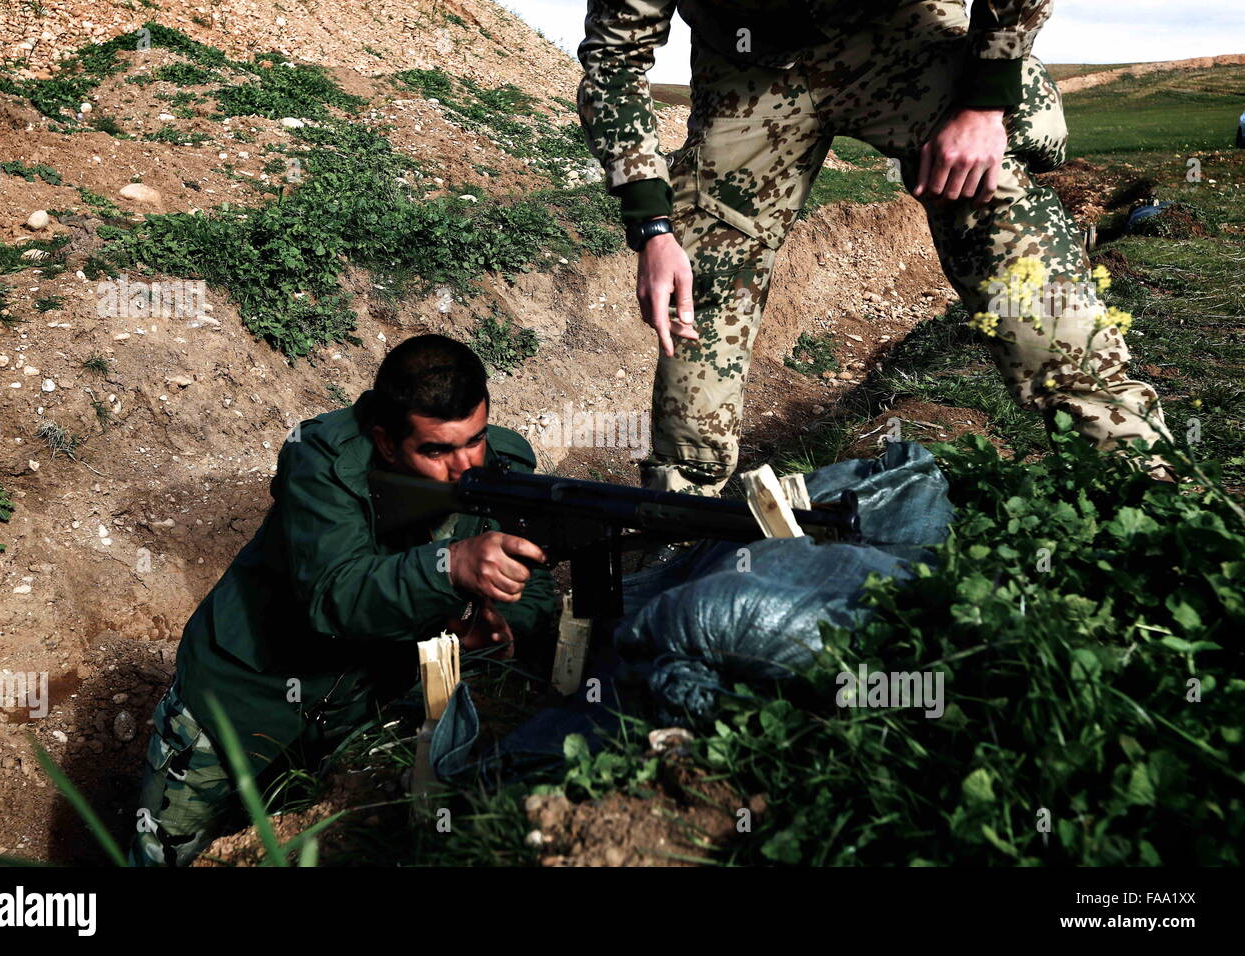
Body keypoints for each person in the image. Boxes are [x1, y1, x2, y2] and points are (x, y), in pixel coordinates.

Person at [576, 0, 1172, 498]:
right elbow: (615, 55)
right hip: (750, 65)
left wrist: (983, 103)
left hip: (897, 33)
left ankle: (1129, 469)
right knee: (704, 262)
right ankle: (684, 503)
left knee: (992, 197)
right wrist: (653, 225)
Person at [127, 334, 558, 866]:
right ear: (384, 441)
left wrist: (503, 622)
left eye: (475, 439)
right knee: (167, 854)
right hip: (242, 696)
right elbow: (335, 595)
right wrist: (452, 565)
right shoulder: (321, 459)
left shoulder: (506, 463)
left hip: (360, 711)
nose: (466, 467)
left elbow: (535, 576)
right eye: (436, 450)